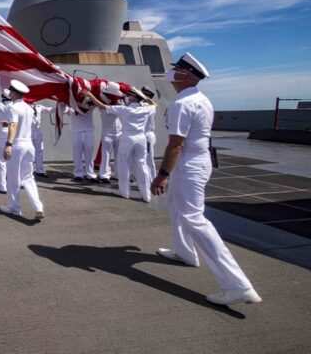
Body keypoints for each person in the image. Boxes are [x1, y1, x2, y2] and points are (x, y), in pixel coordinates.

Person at [151, 53, 261, 306]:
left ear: (187, 75)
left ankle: (237, 285)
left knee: (193, 218)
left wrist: (162, 175)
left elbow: (175, 145)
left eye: (176, 69)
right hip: (198, 162)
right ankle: (184, 252)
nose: (172, 73)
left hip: (188, 164)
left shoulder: (182, 104)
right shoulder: (200, 99)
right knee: (178, 208)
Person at [90, 88, 155, 202]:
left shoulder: (123, 109)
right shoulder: (147, 109)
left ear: (133, 98)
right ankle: (147, 195)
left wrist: (90, 95)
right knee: (142, 164)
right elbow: (154, 104)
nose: (127, 98)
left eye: (129, 96)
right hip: (141, 139)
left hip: (127, 138)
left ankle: (125, 192)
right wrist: (143, 97)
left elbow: (102, 106)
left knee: (123, 164)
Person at [1, 80, 45, 220]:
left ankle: (14, 207)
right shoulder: (28, 108)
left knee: (13, 178)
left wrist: (8, 144)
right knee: (28, 178)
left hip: (18, 145)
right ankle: (38, 207)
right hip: (29, 145)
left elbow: (12, 126)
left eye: (11, 92)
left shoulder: (13, 108)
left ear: (14, 93)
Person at [97, 82, 124, 184]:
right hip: (107, 133)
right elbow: (101, 104)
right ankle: (104, 175)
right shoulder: (104, 103)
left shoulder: (120, 104)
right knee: (106, 155)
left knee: (119, 155)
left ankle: (118, 174)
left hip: (118, 132)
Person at [67, 104, 97, 182]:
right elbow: (64, 110)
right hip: (76, 131)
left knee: (89, 153)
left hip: (88, 130)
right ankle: (78, 174)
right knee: (77, 154)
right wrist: (61, 103)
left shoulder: (90, 105)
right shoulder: (70, 105)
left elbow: (97, 103)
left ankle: (90, 174)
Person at [32, 102, 54, 177]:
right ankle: (29, 171)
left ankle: (39, 170)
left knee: (40, 151)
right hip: (28, 131)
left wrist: (59, 106)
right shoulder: (24, 106)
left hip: (38, 131)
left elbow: (49, 110)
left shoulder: (39, 106)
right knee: (29, 152)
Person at [142, 86, 157, 179]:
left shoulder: (148, 106)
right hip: (146, 135)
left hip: (147, 136)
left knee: (148, 159)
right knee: (144, 159)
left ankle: (152, 179)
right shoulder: (150, 106)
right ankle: (147, 178)